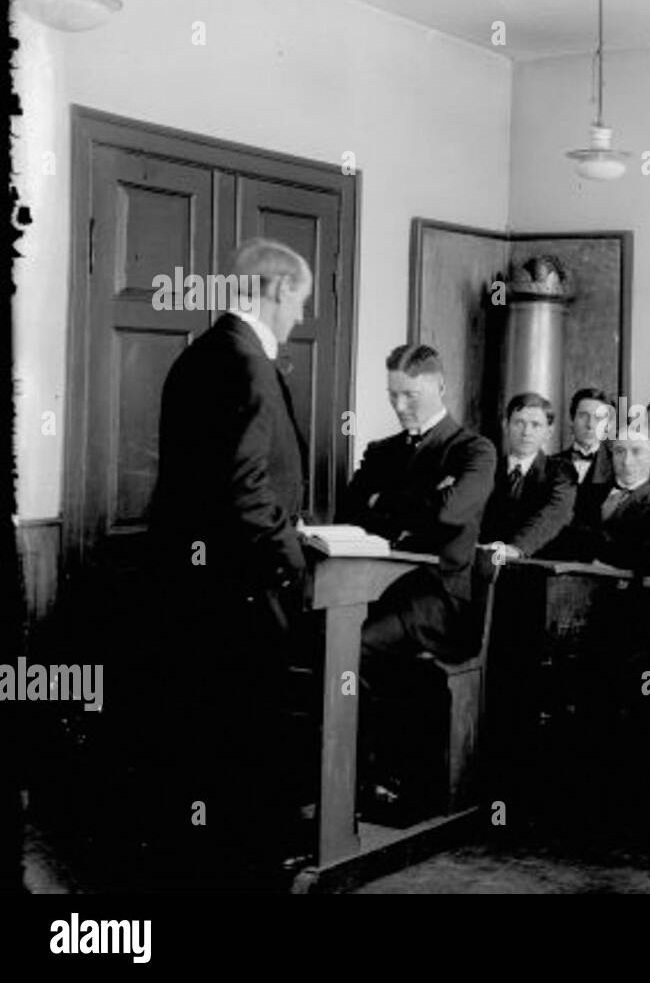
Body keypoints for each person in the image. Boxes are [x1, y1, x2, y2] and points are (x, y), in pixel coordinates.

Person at [148, 237, 313, 888]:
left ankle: (205, 860)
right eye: (297, 301)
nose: (298, 318)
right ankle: (248, 870)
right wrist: (290, 561)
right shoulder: (247, 365)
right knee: (247, 729)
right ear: (273, 291)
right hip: (243, 586)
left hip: (193, 583)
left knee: (205, 731)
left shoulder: (196, 357)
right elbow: (246, 488)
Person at [342, 343, 497, 824]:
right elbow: (350, 513)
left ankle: (372, 779)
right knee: (326, 638)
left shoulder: (474, 449)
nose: (400, 406)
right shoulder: (382, 450)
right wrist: (419, 501)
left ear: (440, 387)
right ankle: (356, 780)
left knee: (355, 648)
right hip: (377, 588)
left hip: (439, 597)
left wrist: (386, 505)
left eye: (409, 395)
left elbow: (453, 512)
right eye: (393, 395)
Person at [545, 432, 650, 575]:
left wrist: (587, 542)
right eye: (619, 451)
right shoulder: (588, 493)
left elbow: (639, 555)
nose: (627, 461)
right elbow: (558, 535)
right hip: (569, 580)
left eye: (637, 452)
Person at [479, 392, 576, 559]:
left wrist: (516, 548)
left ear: (549, 432)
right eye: (519, 423)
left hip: (532, 570)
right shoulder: (486, 468)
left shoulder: (560, 472)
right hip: (482, 562)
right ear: (505, 425)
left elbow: (554, 515)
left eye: (536, 425)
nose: (526, 432)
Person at [558, 387, 616, 524]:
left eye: (598, 418)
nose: (590, 424)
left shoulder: (617, 465)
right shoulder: (551, 464)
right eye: (583, 415)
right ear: (571, 421)